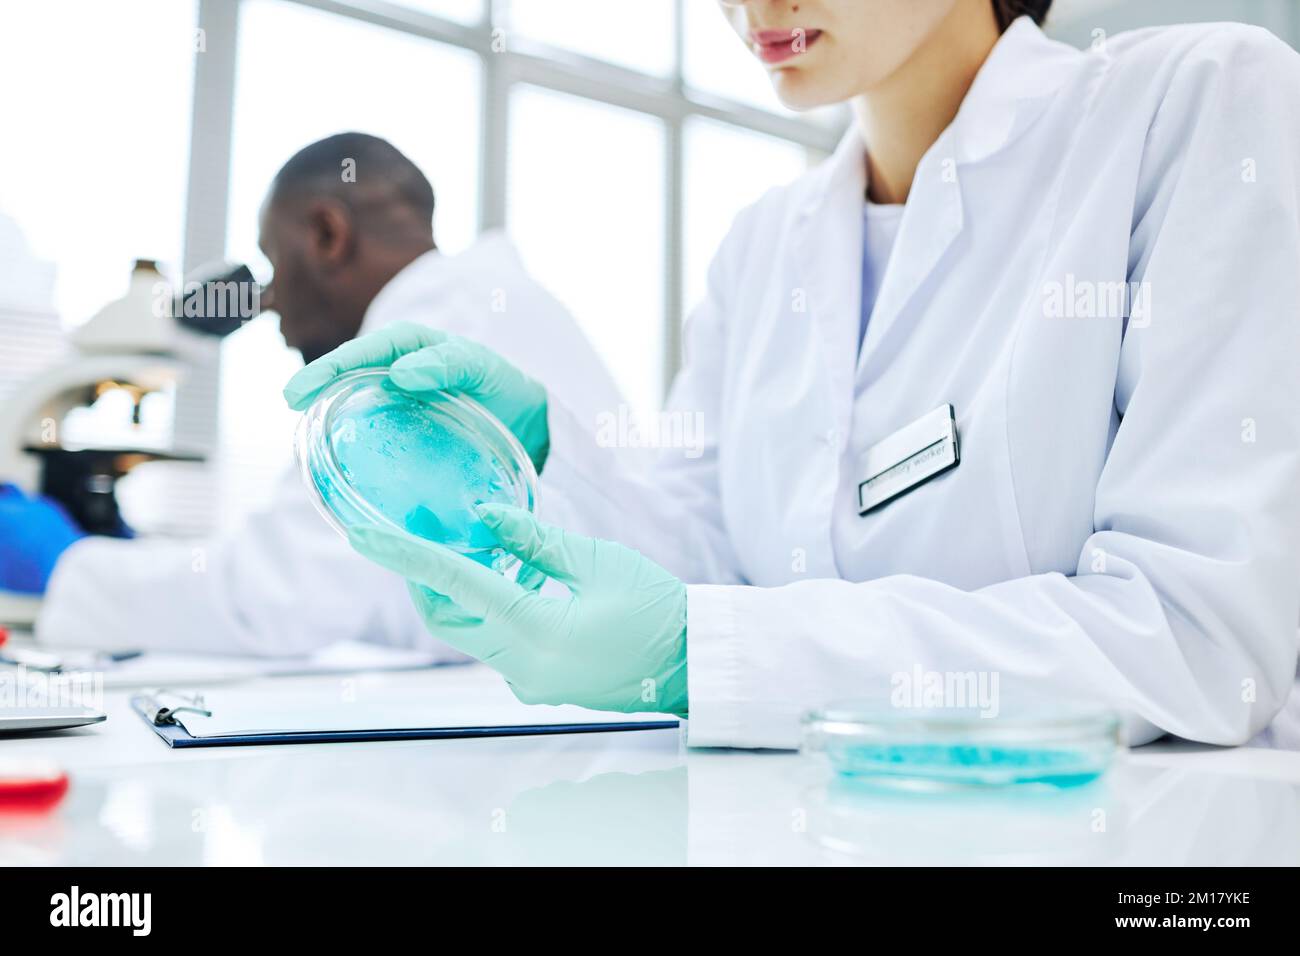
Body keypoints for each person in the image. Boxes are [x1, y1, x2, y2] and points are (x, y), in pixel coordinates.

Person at [287, 1, 1300, 748]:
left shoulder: (1198, 103)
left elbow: (1195, 637)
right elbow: (711, 557)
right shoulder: (764, 245)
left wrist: (704, 654)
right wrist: (542, 456)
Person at [17, 133, 623, 656]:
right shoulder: (496, 300)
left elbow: (281, 595)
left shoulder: (425, 342)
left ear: (329, 234)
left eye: (273, 263)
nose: (270, 300)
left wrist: (64, 564)